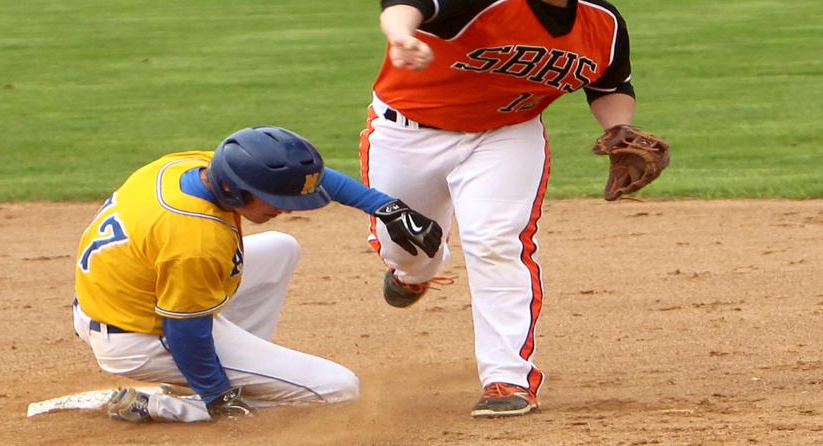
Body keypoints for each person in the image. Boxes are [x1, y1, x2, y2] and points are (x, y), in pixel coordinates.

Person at [364, 0, 649, 417]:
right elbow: (402, 5)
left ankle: (508, 379)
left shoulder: (602, 22)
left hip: (505, 136)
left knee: (495, 242)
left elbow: (610, 84)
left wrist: (618, 130)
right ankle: (414, 272)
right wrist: (401, 34)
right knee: (407, 247)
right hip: (407, 134)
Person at [73, 126, 443, 423]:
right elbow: (185, 329)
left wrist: (386, 208)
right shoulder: (196, 241)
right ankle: (179, 405)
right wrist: (216, 396)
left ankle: (240, 373)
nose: (286, 209)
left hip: (123, 297)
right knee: (339, 389)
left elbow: (303, 179)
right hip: (141, 336)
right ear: (235, 191)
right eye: (278, 202)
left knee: (281, 248)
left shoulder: (191, 167)